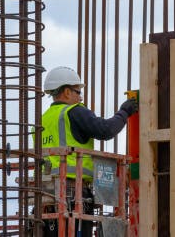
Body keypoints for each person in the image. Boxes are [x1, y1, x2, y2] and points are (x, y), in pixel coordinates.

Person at [39, 66, 138, 237]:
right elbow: (105, 130)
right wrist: (124, 111)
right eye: (78, 92)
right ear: (67, 92)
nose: (80, 97)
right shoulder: (73, 111)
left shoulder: (43, 119)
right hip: (73, 193)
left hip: (46, 194)